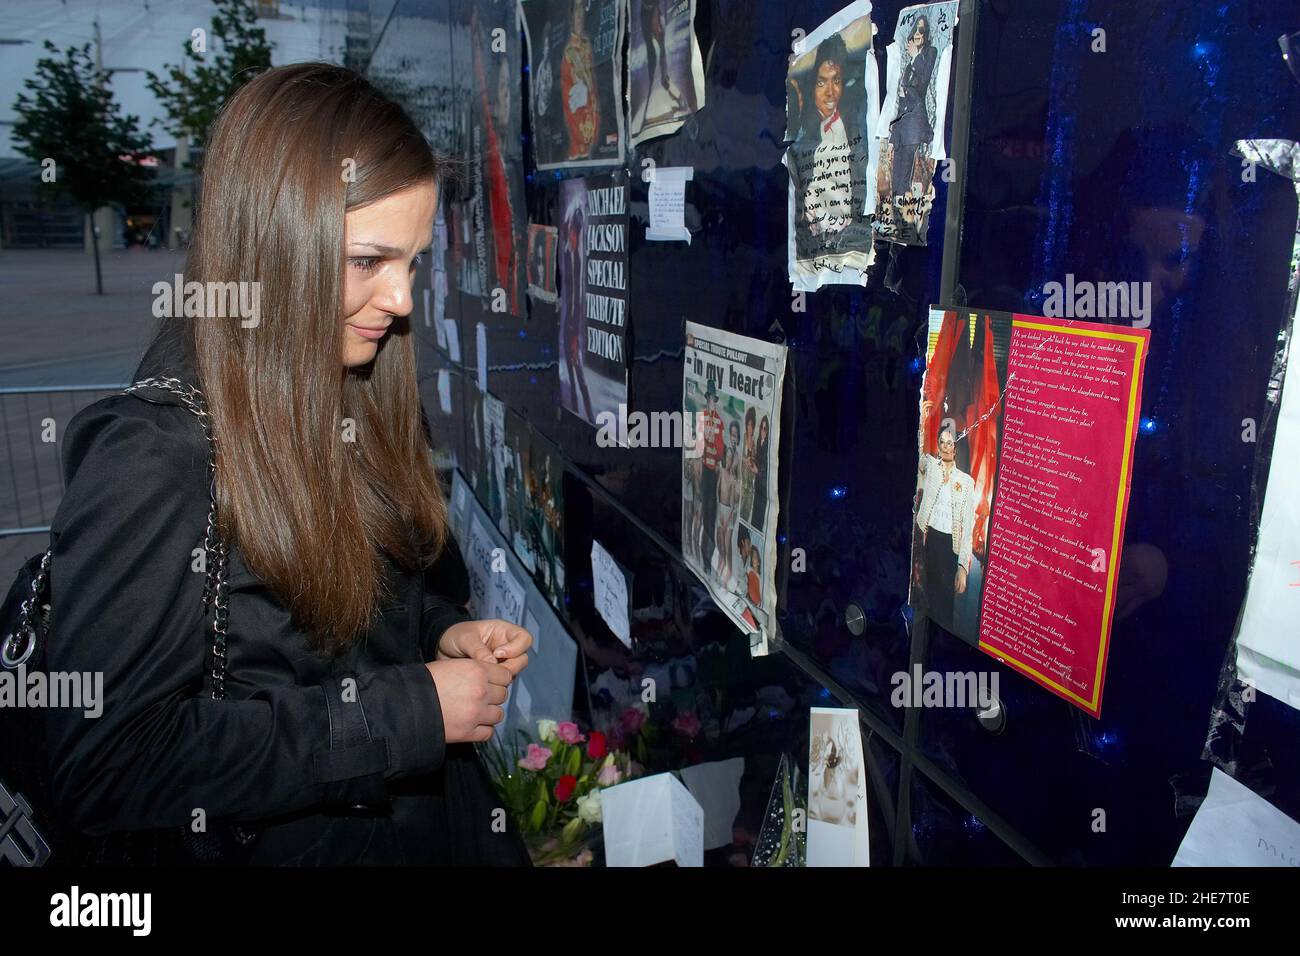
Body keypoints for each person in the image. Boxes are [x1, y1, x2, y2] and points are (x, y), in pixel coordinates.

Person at [42, 64, 533, 866]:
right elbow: (110, 763)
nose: (402, 299)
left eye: (413, 261)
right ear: (272, 245)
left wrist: (444, 636)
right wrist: (409, 711)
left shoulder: (361, 381)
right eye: (369, 260)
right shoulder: (157, 453)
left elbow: (380, 606)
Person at [915, 405, 976, 633]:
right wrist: (925, 416)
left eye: (951, 443)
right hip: (930, 540)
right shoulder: (930, 466)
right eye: (943, 442)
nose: (947, 447)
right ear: (939, 446)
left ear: (956, 447)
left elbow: (968, 526)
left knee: (945, 604)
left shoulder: (966, 482)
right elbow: (920, 452)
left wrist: (962, 566)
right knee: (927, 596)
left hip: (951, 546)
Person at [889, 15, 937, 203]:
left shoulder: (928, 53)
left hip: (914, 124)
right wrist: (893, 139)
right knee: (896, 171)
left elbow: (924, 81)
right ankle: (895, 208)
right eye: (916, 30)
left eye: (922, 30)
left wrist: (917, 55)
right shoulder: (908, 67)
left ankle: (903, 208)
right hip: (902, 126)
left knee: (906, 171)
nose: (918, 33)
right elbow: (901, 105)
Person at [561, 0, 600, 162]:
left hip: (591, 118)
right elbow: (569, 98)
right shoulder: (568, 52)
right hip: (578, 126)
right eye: (576, 11)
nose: (579, 16)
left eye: (582, 11)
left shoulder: (587, 46)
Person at [697, 380, 724, 565]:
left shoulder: (719, 421)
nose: (711, 402)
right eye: (709, 399)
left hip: (714, 471)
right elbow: (700, 444)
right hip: (704, 469)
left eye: (713, 399)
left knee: (712, 511)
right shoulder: (703, 417)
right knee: (704, 509)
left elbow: (719, 448)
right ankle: (704, 555)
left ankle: (710, 555)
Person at [750, 414, 770, 529]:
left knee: (760, 513)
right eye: (761, 428)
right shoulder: (759, 441)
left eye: (765, 428)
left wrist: (758, 471)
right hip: (757, 483)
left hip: (763, 485)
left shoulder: (767, 445)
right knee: (755, 512)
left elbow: (766, 467)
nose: (762, 431)